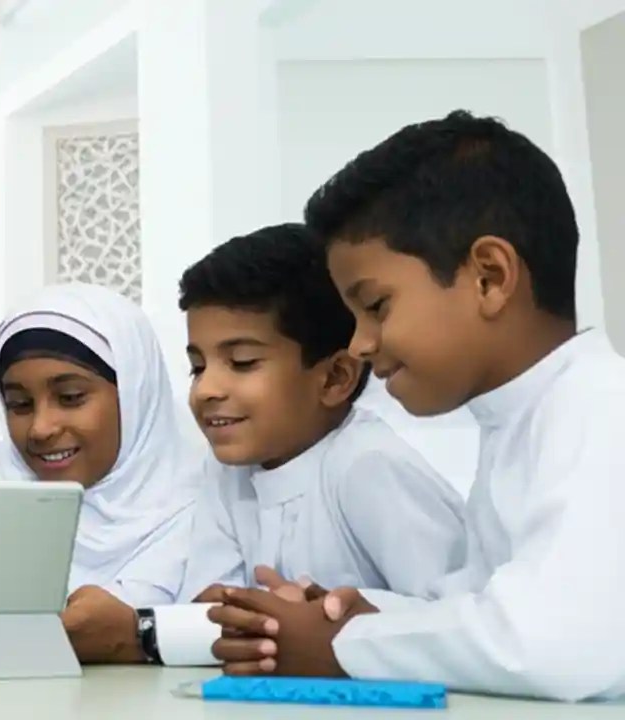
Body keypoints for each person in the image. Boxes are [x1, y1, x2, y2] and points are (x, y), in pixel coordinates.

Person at [209, 110, 625, 702]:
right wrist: (349, 614)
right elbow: (476, 607)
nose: (359, 343)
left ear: (489, 277)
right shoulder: (519, 419)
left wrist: (342, 646)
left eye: (375, 307)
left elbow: (552, 645)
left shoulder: (602, 409)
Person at [61, 224, 465, 665]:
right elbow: (210, 607)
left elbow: (456, 618)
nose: (206, 389)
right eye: (198, 366)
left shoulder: (368, 466)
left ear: (335, 378)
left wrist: (330, 616)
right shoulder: (229, 470)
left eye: (242, 362)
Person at [0, 283, 199, 659]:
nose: (41, 428)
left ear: (135, 393)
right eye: (18, 404)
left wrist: (138, 635)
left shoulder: (210, 496)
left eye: (70, 398)